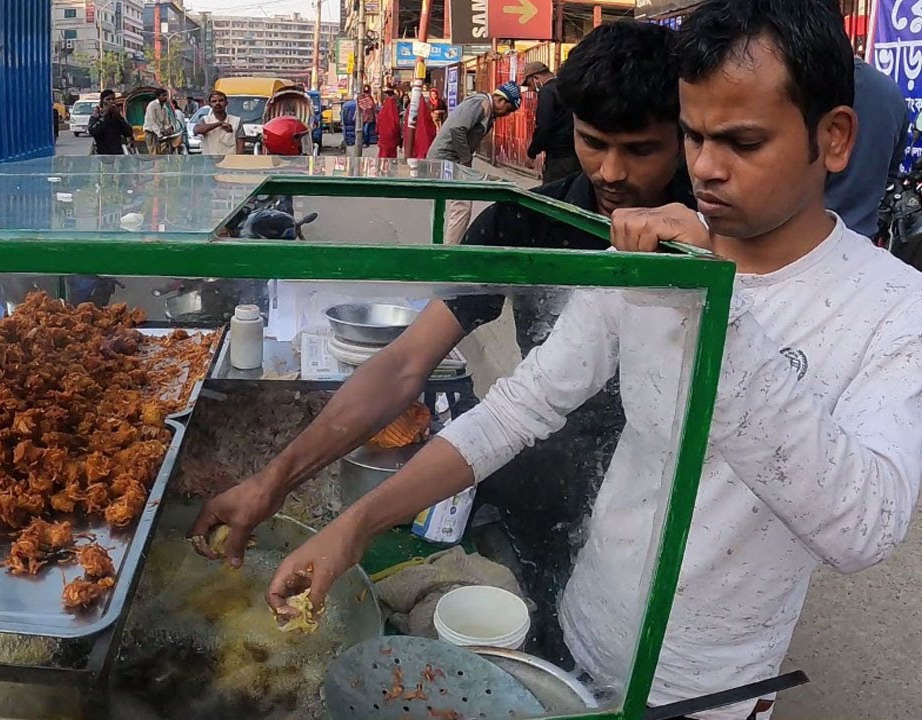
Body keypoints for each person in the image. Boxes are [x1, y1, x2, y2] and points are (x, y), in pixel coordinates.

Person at [260, 2, 922, 719]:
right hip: (583, 630)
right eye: (694, 136)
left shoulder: (891, 307)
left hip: (707, 689)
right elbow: (518, 410)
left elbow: (863, 528)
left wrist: (712, 303)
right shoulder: (647, 261)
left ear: (833, 137)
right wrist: (354, 526)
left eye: (742, 142)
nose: (706, 168)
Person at [192, 13, 691, 677]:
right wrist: (273, 480)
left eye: (642, 149)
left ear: (687, 136)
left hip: (671, 516)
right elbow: (404, 363)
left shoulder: (707, 237)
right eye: (593, 142)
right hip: (544, 487)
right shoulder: (527, 222)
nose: (613, 171)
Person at [427, 81, 522, 243]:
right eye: (509, 109)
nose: (507, 114)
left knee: (443, 202)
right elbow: (457, 129)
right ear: (500, 100)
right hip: (446, 157)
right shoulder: (480, 104)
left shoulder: (487, 111)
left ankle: (440, 244)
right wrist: (466, 159)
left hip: (450, 158)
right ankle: (451, 248)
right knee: (461, 203)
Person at [825, 56, 909, 236]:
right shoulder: (889, 91)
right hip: (863, 235)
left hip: (807, 242)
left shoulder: (807, 83)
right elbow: (891, 173)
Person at [523, 60, 580, 183]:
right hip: (576, 153)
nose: (531, 89)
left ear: (536, 78)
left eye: (529, 84)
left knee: (554, 190)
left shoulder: (547, 92)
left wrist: (532, 153)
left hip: (558, 157)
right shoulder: (566, 87)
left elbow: (544, 125)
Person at [196, 90, 246, 155]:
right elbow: (197, 130)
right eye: (214, 101)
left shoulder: (236, 121)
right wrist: (219, 123)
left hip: (230, 159)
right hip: (209, 160)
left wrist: (237, 160)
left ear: (226, 103)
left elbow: (241, 145)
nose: (217, 103)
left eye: (221, 100)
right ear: (210, 105)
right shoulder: (205, 120)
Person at [87, 90, 132, 155]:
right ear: (102, 101)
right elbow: (93, 131)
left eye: (113, 99)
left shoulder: (116, 116)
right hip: (100, 154)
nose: (111, 102)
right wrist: (104, 117)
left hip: (116, 154)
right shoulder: (97, 114)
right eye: (108, 99)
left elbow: (128, 132)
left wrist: (118, 117)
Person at [410, 86, 443, 160]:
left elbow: (445, 110)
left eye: (435, 94)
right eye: (432, 94)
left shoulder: (440, 102)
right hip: (431, 120)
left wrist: (439, 112)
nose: (434, 96)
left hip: (438, 121)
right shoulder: (428, 103)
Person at [143, 88, 179, 155]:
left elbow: (165, 122)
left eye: (166, 95)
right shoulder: (152, 105)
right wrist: (159, 133)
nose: (165, 97)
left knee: (163, 153)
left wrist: (168, 129)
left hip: (160, 134)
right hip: (151, 132)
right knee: (154, 154)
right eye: (163, 95)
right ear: (158, 96)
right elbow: (152, 122)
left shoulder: (165, 107)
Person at [376, 88, 402, 159]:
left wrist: (378, 132)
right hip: (392, 137)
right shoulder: (394, 111)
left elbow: (378, 122)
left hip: (383, 136)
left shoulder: (382, 111)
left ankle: (382, 165)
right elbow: (397, 124)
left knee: (383, 154)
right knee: (392, 155)